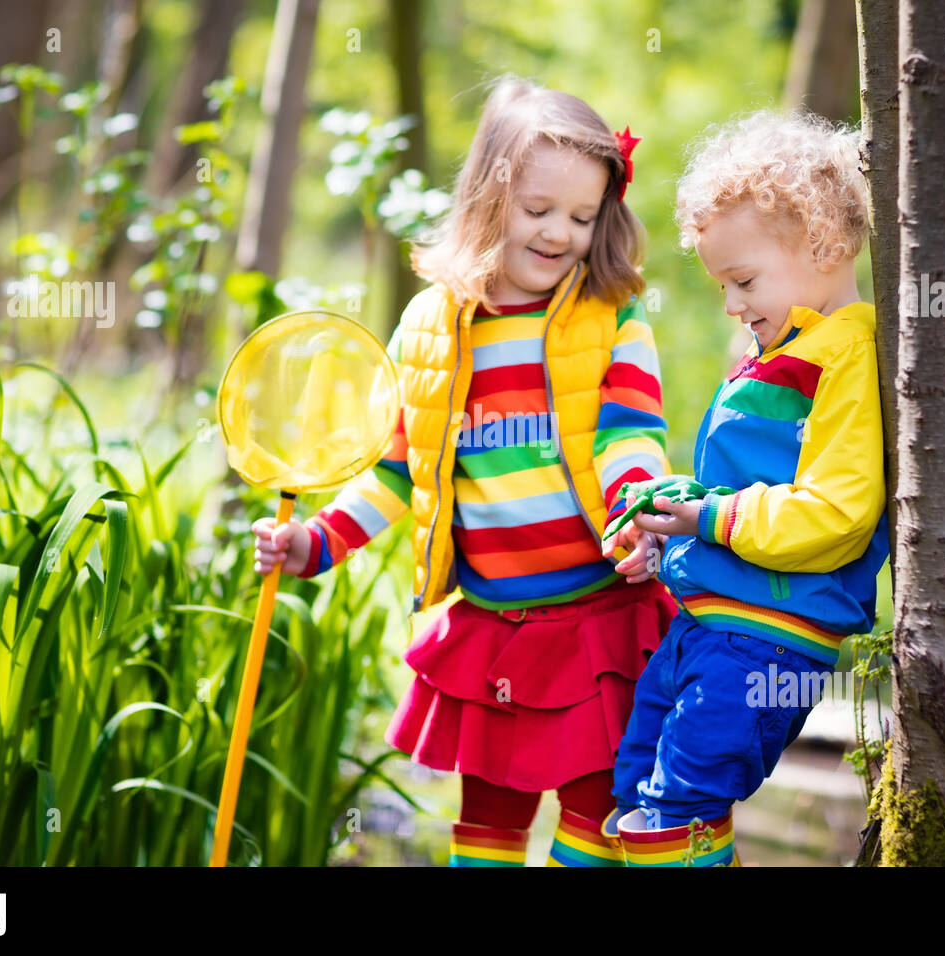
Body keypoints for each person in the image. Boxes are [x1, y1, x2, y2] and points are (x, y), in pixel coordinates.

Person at [252, 76, 676, 867]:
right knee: (488, 816)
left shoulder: (610, 313)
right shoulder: (431, 329)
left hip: (596, 622)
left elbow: (631, 434)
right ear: (488, 198)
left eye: (583, 218)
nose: (560, 234)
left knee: (597, 808)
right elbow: (396, 474)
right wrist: (314, 544)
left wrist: (639, 516)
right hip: (490, 631)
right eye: (539, 210)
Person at [601, 109, 891, 867]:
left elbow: (837, 515)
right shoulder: (789, 348)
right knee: (636, 791)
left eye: (743, 281)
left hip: (766, 640)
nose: (732, 305)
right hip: (709, 625)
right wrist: (670, 515)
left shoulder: (845, 356)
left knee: (679, 808)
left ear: (824, 244)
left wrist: (708, 517)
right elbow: (753, 489)